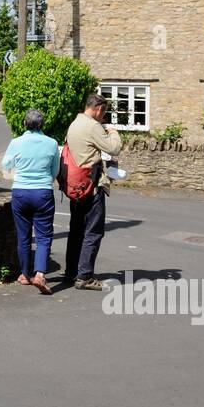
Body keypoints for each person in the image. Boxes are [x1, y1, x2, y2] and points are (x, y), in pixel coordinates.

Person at [63, 93, 122, 289]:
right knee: (93, 232)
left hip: (75, 185)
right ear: (97, 109)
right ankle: (85, 276)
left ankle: (72, 272)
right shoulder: (92, 126)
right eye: (103, 112)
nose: (103, 116)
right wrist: (112, 131)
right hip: (91, 186)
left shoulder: (75, 123)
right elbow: (114, 148)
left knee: (76, 231)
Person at [2, 108, 60, 295]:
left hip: (21, 191)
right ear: (42, 125)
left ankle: (25, 275)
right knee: (44, 236)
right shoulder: (52, 143)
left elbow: (6, 165)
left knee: (23, 235)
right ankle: (40, 274)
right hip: (43, 191)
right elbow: (55, 171)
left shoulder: (16, 142)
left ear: (24, 124)